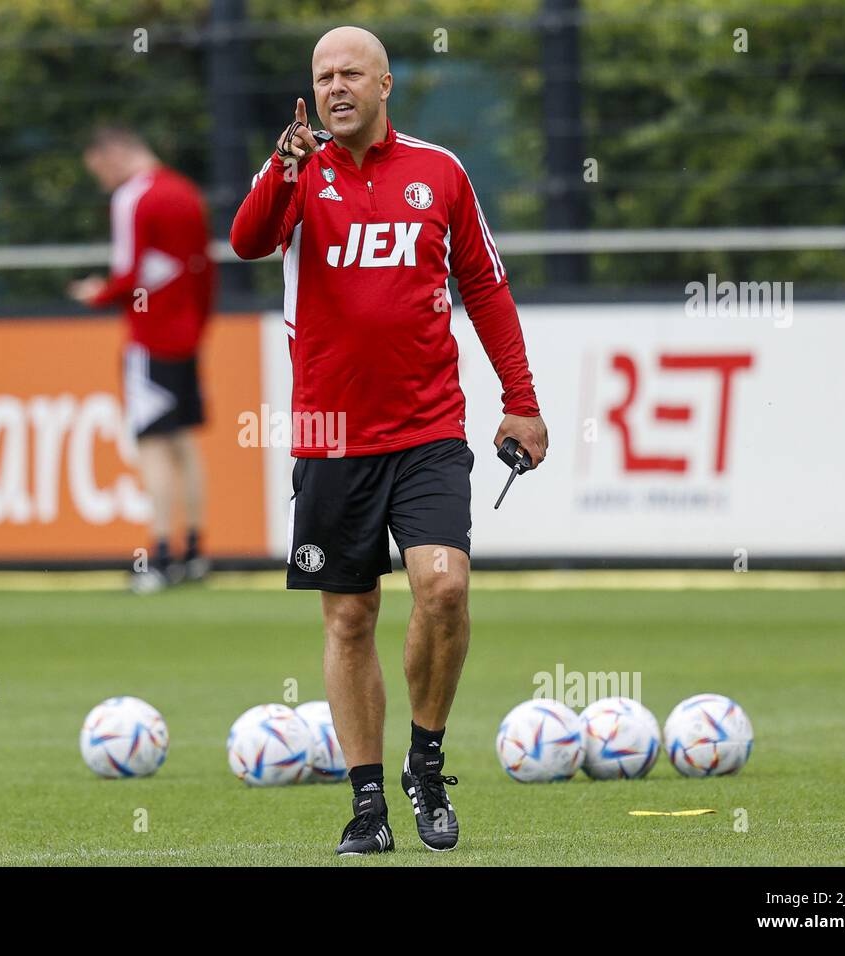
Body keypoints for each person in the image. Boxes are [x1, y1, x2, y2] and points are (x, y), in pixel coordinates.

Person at [230, 26, 548, 854]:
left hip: (428, 428)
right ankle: (367, 804)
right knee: (349, 617)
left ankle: (427, 761)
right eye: (323, 76)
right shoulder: (298, 175)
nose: (335, 87)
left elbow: (485, 284)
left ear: (385, 85)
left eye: (350, 75)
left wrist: (522, 400)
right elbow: (248, 240)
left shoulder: (438, 172)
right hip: (331, 435)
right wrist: (283, 168)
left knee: (443, 588)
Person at [72, 127, 215, 594]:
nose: (103, 180)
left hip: (150, 337)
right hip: (187, 333)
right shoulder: (186, 193)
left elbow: (129, 273)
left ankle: (158, 557)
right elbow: (202, 269)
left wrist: (98, 296)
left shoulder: (134, 199)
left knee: (153, 442)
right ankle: (194, 551)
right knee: (183, 444)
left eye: (99, 169)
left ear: (112, 153)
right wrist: (198, 325)